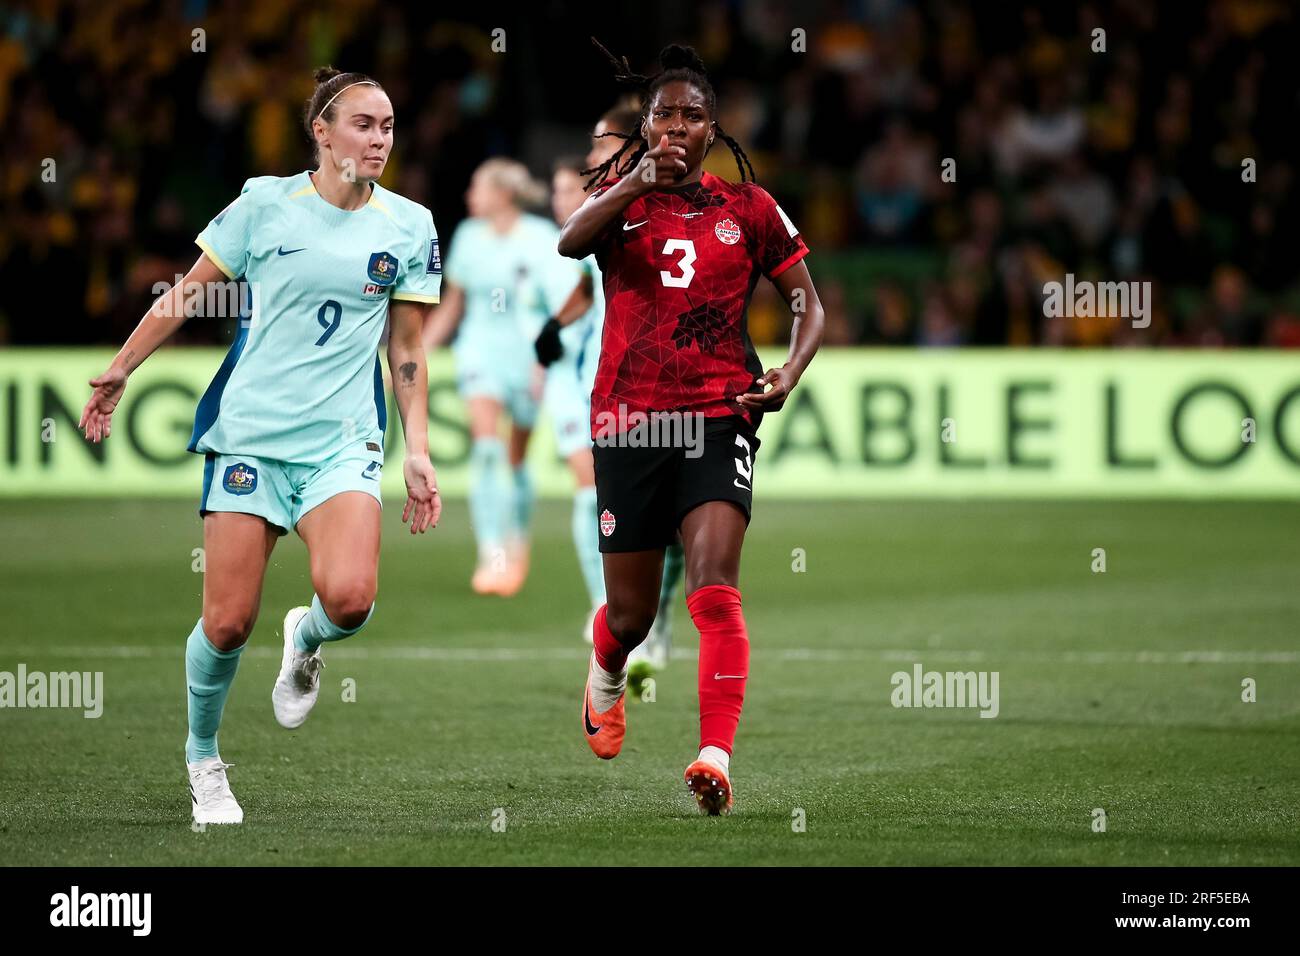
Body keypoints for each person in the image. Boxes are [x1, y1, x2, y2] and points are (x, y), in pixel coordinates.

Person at [79, 68, 443, 825]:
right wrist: (120, 368)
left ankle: (304, 637)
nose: (380, 139)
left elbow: (405, 346)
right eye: (364, 125)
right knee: (226, 622)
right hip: (251, 432)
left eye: (388, 126)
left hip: (343, 440)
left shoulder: (410, 224)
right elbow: (187, 291)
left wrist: (419, 448)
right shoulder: (264, 203)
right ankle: (204, 760)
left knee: (349, 598)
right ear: (323, 130)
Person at [558, 42, 825, 815]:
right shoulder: (619, 193)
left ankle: (714, 756)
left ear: (714, 130)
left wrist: (789, 371)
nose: (676, 125)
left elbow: (809, 302)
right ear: (645, 125)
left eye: (692, 115)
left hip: (719, 412)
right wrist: (635, 178)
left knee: (715, 587)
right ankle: (607, 668)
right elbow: (571, 243)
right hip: (628, 419)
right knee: (633, 615)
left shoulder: (750, 208)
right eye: (663, 114)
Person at [536, 106, 686, 672]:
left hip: (665, 387)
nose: (591, 158)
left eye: (601, 148)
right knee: (590, 490)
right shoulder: (602, 204)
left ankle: (653, 612)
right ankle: (608, 607)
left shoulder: (667, 207)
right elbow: (582, 274)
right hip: (596, 382)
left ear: (633, 146)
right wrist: (557, 324)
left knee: (669, 522)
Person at [423, 159, 579, 595]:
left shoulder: (542, 238)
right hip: (480, 354)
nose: (470, 195)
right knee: (487, 448)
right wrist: (419, 352)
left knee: (516, 459)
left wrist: (543, 359)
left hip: (526, 358)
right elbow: (453, 303)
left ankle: (516, 544)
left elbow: (555, 302)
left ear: (502, 194)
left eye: (477, 186)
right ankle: (490, 553)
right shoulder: (469, 238)